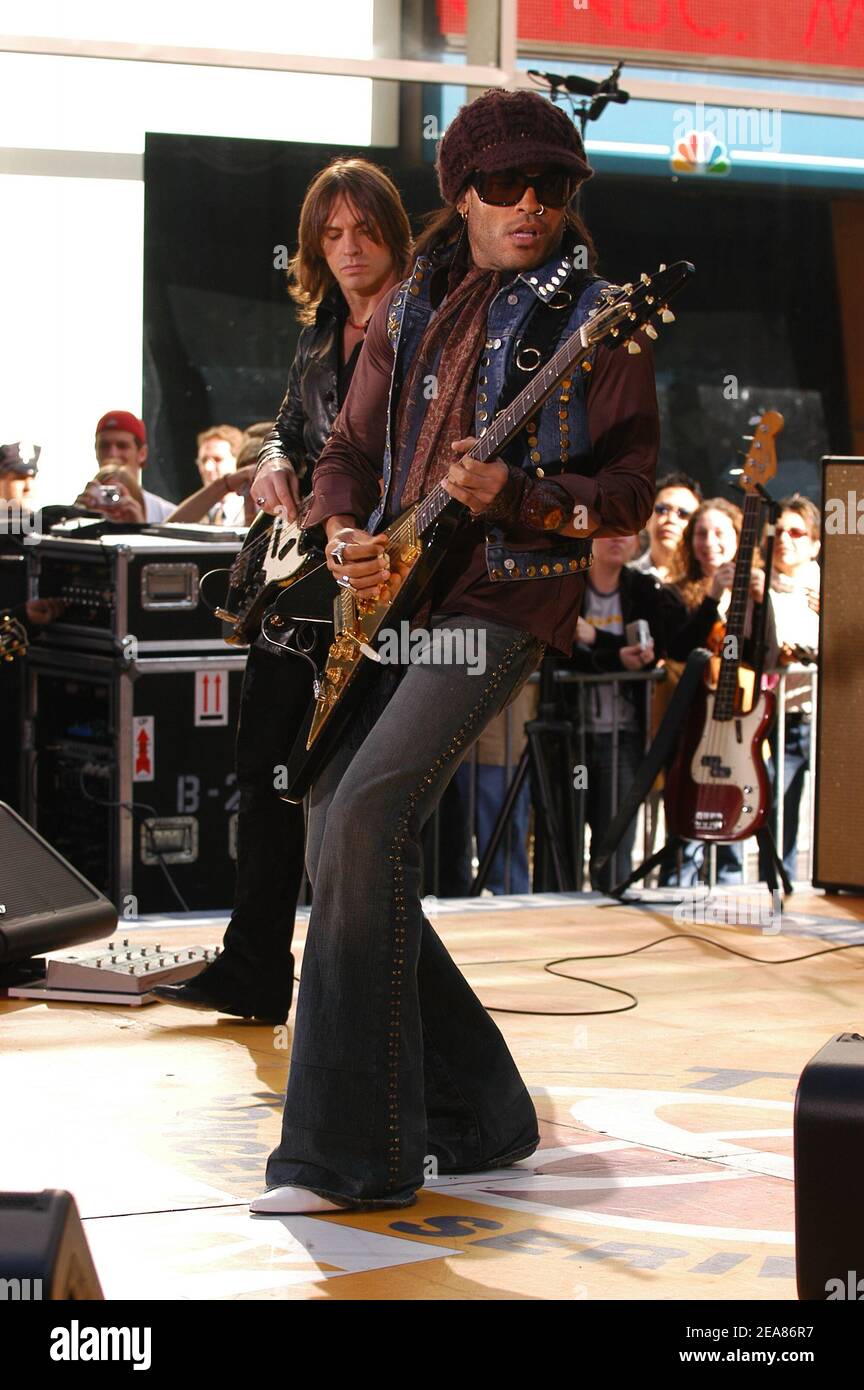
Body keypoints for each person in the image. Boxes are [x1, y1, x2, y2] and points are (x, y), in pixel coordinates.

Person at [251, 89, 659, 1216]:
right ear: (461, 195)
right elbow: (349, 448)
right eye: (504, 186)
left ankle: (349, 1156)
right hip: (396, 592)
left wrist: (522, 493)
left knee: (370, 814)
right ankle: (482, 1109)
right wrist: (343, 536)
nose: (530, 206)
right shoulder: (415, 299)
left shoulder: (596, 316)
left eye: (553, 187)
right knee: (333, 823)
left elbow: (629, 486)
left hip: (502, 601)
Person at [153, 157, 411, 1023]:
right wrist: (269, 464)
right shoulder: (320, 332)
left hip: (379, 580)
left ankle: (360, 984)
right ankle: (255, 964)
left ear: (392, 234)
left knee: (350, 795)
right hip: (298, 581)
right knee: (264, 770)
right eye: (331, 235)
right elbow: (291, 430)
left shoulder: (422, 326)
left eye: (363, 231)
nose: (347, 249)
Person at [659, 497, 772, 886]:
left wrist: (760, 604)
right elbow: (678, 649)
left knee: (733, 831)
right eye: (702, 533)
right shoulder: (676, 593)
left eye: (720, 532)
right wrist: (710, 599)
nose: (710, 542)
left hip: (738, 733)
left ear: (739, 538)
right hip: (692, 732)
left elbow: (765, 657)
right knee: (685, 833)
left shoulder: (755, 590)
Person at [758, 493, 820, 883]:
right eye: (778, 531)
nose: (785, 539)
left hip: (827, 717)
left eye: (796, 532)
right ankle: (780, 885)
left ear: (815, 542)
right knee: (776, 807)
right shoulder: (759, 588)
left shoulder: (837, 585)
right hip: (779, 718)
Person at [89, 411, 175, 522]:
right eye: (104, 446)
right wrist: (78, 514)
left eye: (122, 446)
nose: (112, 453)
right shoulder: (86, 505)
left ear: (142, 453)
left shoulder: (166, 515)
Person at [630, 471, 702, 581]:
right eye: (662, 510)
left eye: (683, 514)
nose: (671, 519)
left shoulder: (708, 583)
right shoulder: (624, 578)